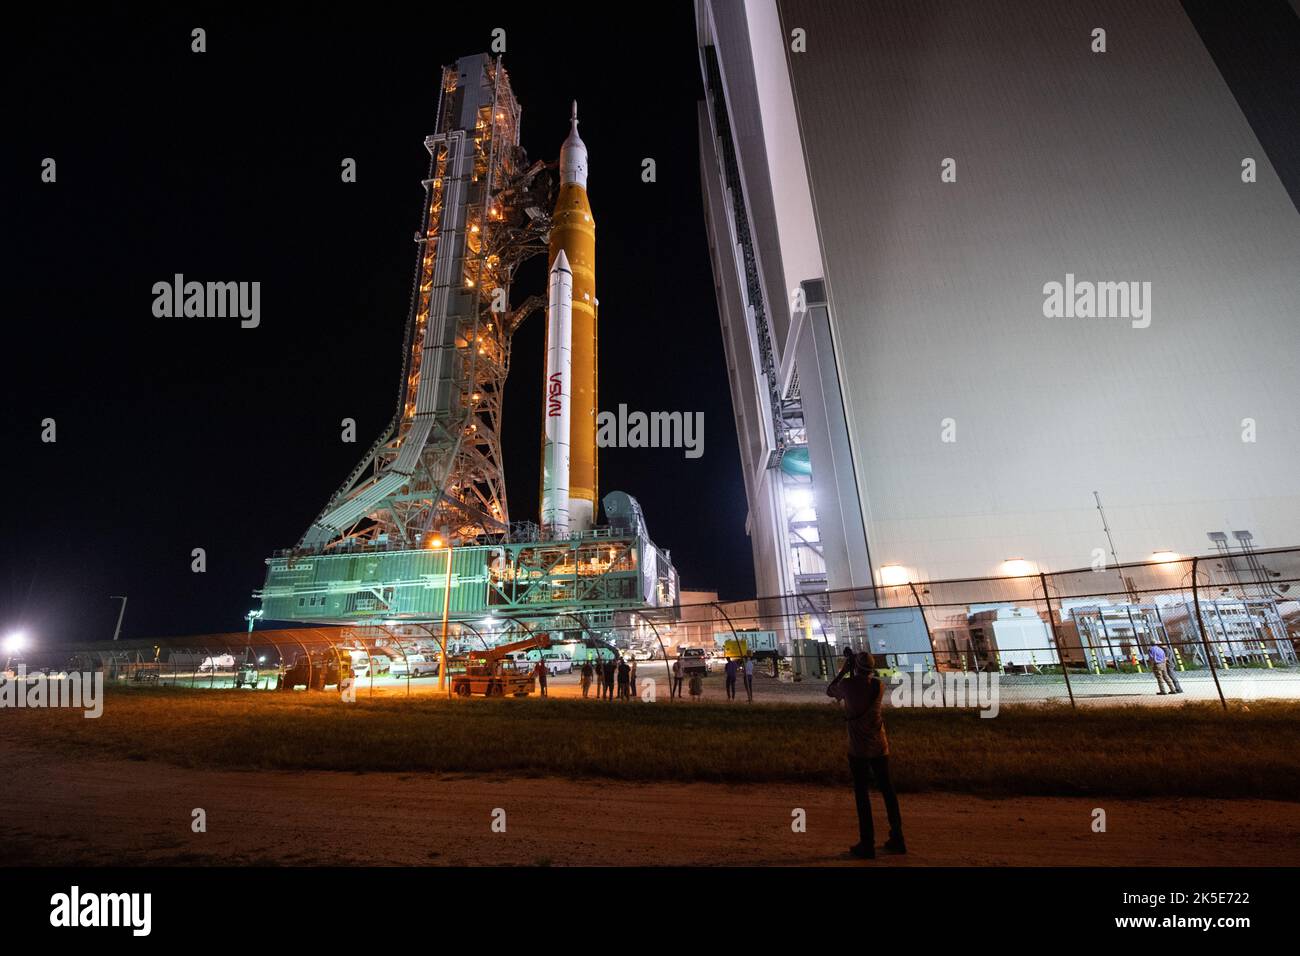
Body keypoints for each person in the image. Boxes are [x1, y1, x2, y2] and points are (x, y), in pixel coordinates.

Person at [826, 651, 905, 860]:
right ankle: (898, 837)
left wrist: (844, 670)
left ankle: (867, 843)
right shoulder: (879, 686)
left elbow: (830, 690)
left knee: (862, 795)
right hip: (880, 745)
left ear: (856, 667)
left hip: (859, 748)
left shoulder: (847, 685)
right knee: (888, 791)